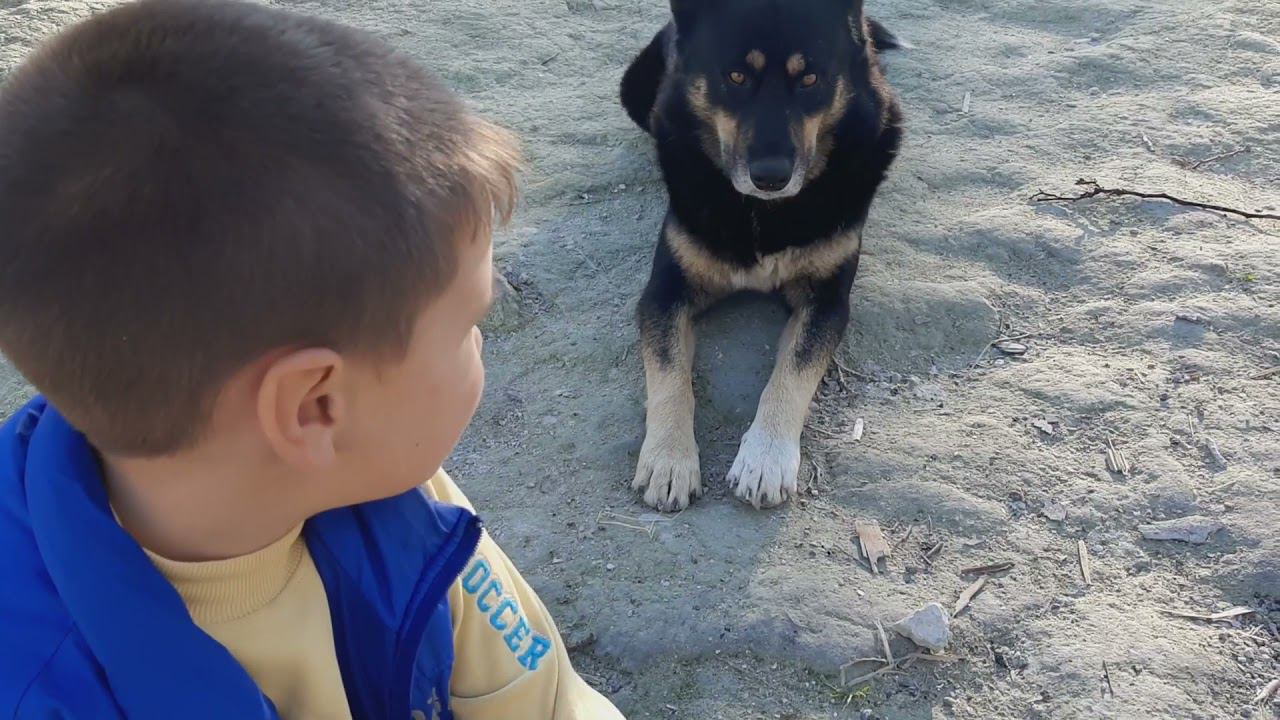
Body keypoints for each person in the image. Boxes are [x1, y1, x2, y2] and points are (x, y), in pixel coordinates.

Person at [0, 1, 625, 718]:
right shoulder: (42, 692)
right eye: (467, 326)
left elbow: (545, 703)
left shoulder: (398, 498)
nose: (480, 344)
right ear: (315, 407)